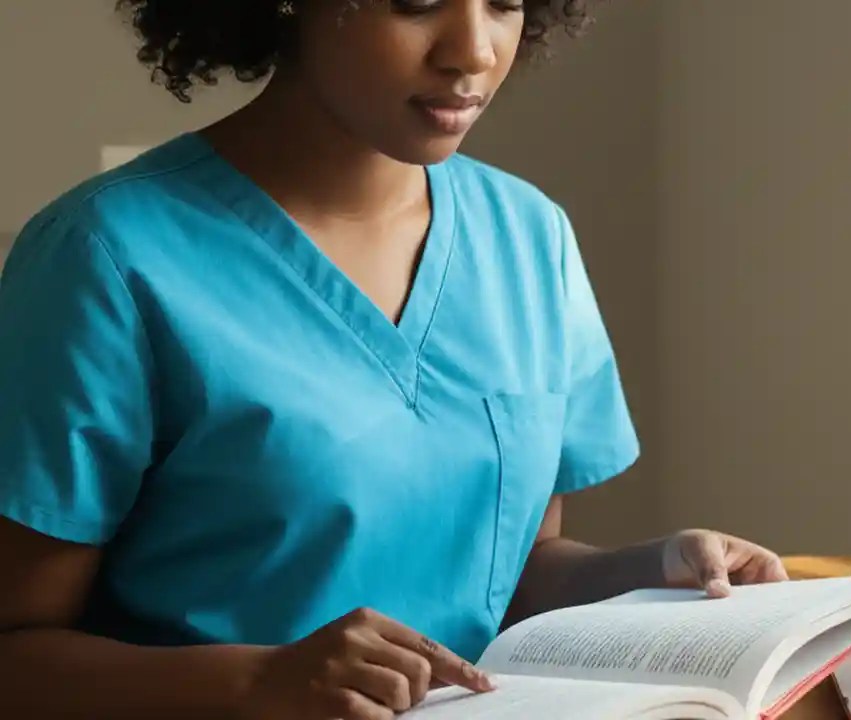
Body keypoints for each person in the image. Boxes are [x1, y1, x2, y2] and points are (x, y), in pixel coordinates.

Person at [0, 1, 790, 718]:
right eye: (416, 3)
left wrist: (655, 572)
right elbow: (17, 657)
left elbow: (511, 576)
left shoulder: (527, 235)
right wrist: (256, 683)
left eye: (505, 4)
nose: (472, 51)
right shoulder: (105, 257)